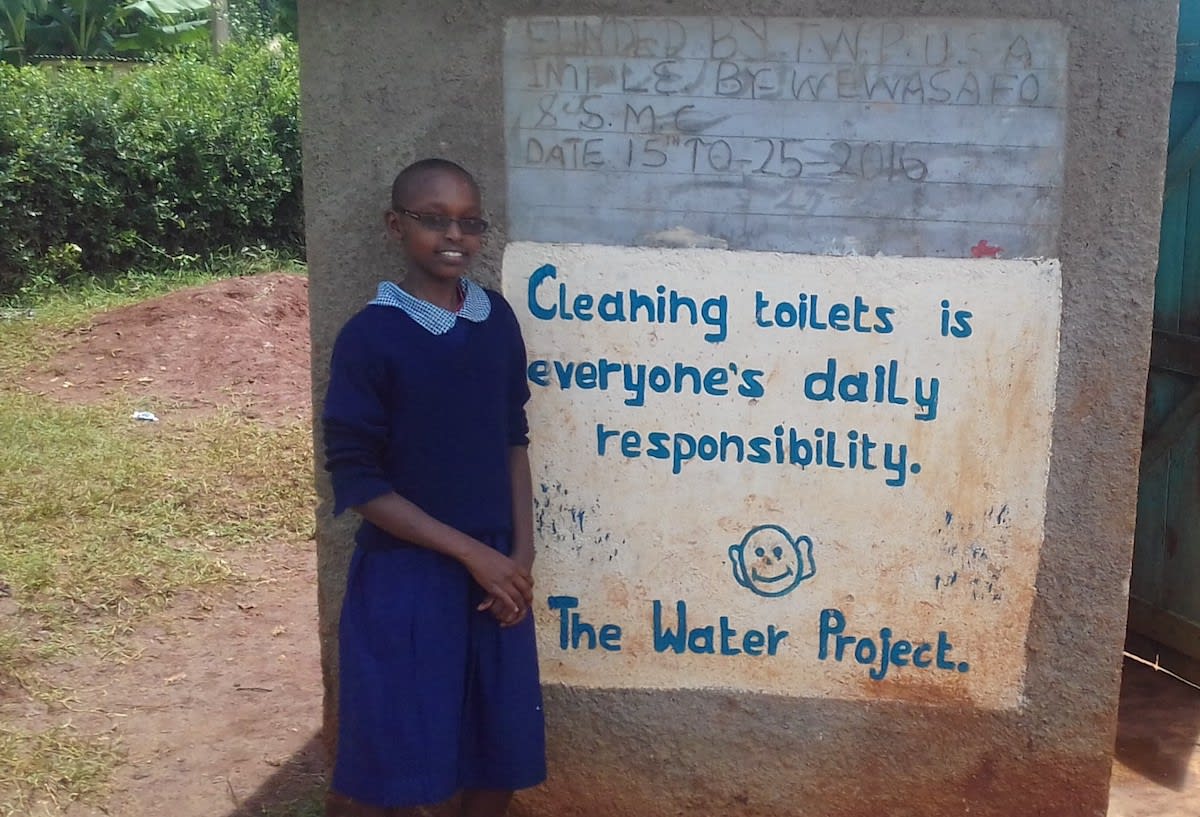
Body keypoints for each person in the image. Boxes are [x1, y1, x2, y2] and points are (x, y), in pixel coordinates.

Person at [321, 158, 546, 817]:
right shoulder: (372, 337)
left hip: (496, 579)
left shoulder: (495, 320)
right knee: (392, 758)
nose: (455, 235)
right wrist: (470, 553)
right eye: (433, 219)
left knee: (497, 750)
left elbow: (513, 437)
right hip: (407, 579)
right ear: (396, 225)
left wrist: (519, 558)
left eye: (469, 221)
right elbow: (359, 481)